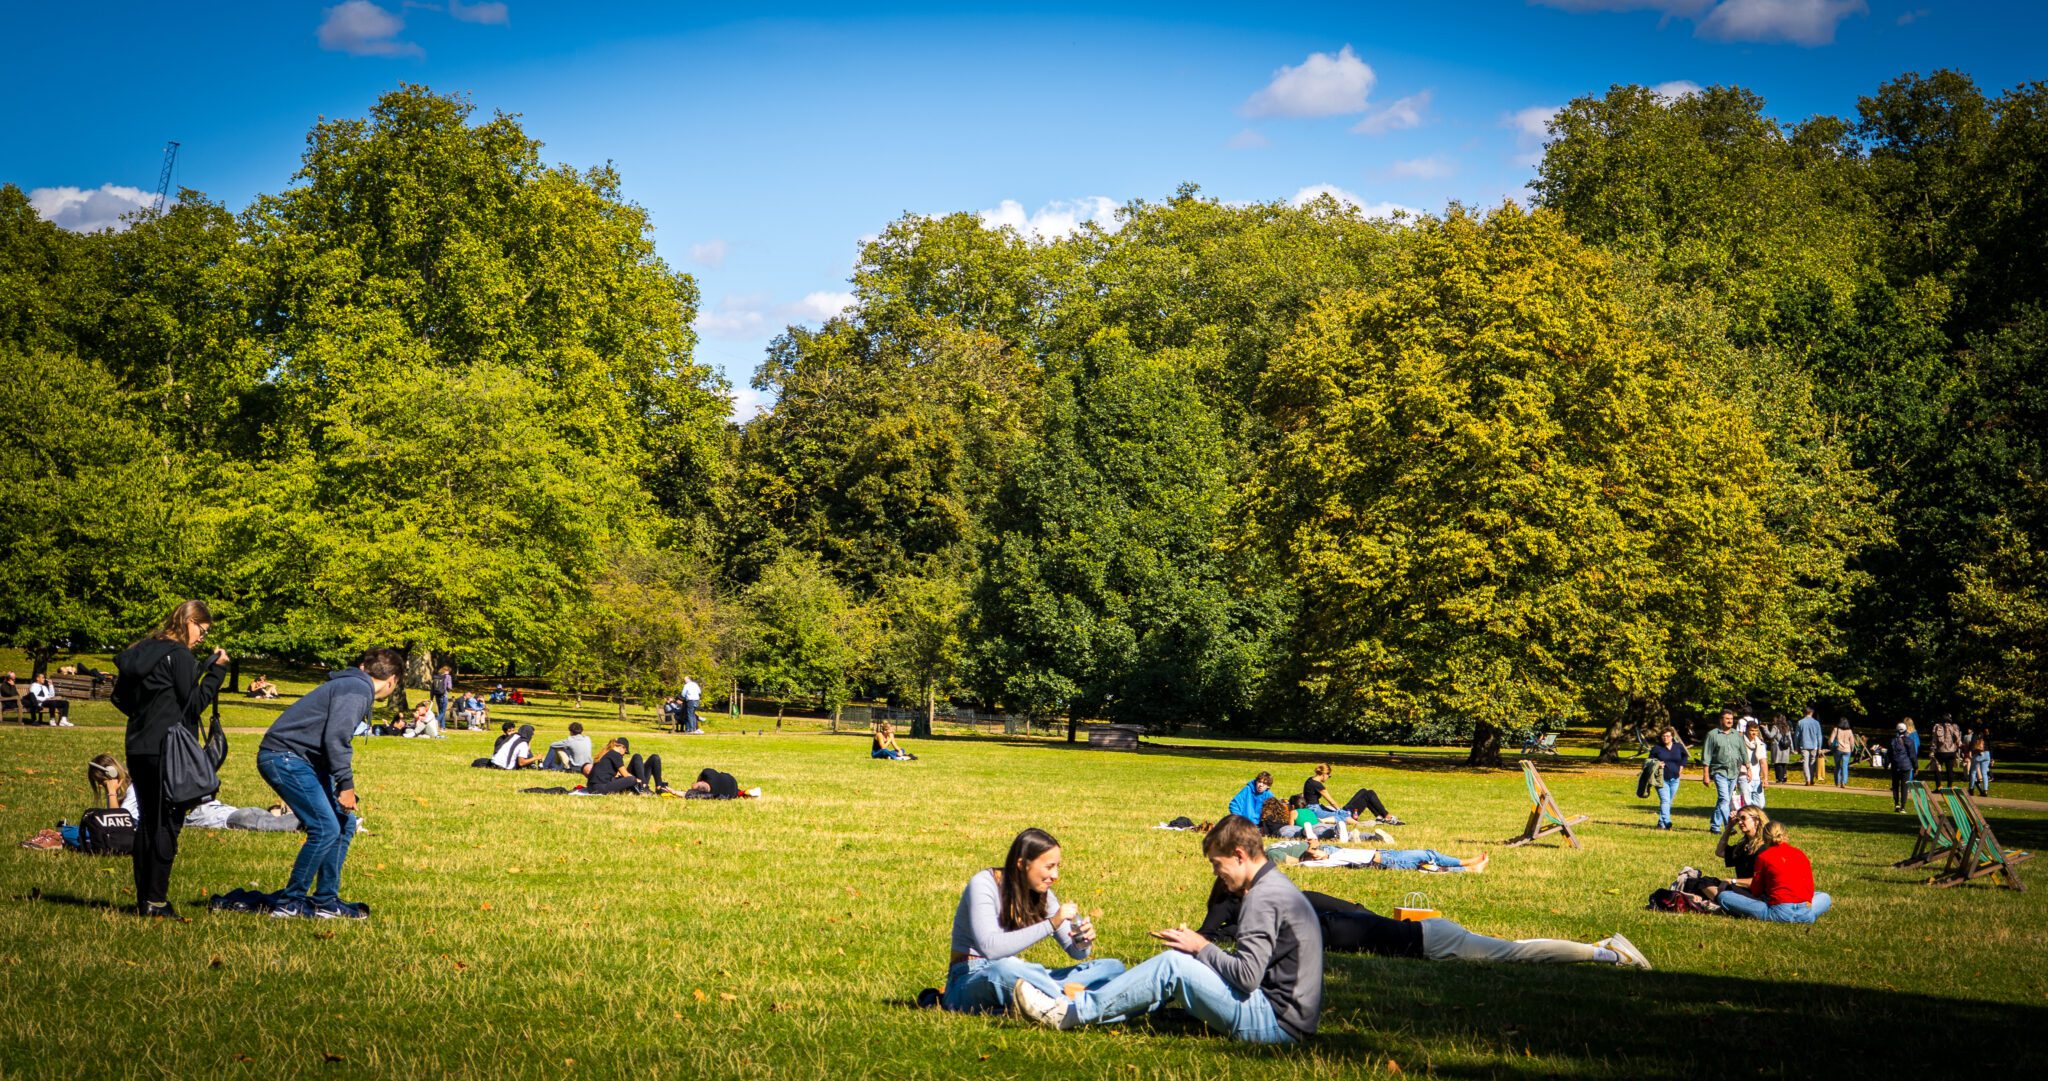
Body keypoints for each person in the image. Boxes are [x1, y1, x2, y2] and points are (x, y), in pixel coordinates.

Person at [1010, 815, 1320, 1045]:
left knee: (1173, 965)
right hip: (1291, 1020)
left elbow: (1247, 977)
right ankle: (1088, 1007)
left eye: (1216, 863)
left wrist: (1200, 946)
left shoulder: (1261, 898)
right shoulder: (1276, 886)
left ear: (1239, 855)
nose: (1216, 873)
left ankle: (1066, 1014)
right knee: (1183, 964)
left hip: (1276, 1026)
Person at [256, 647, 401, 920]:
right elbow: (336, 739)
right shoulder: (357, 690)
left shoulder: (351, 685)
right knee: (324, 828)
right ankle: (290, 903)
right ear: (392, 680)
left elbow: (326, 739)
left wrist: (339, 785)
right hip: (285, 757)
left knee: (343, 823)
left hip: (302, 760)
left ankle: (325, 901)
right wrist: (346, 786)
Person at [112, 599, 229, 919]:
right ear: (189, 621)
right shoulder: (178, 655)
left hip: (139, 745)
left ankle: (145, 898)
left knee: (149, 822)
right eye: (202, 630)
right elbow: (193, 705)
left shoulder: (143, 650)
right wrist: (217, 673)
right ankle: (156, 900)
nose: (201, 638)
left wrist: (147, 716)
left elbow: (119, 697)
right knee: (167, 822)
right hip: (169, 750)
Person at [1200, 887, 1649, 969]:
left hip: (1434, 943)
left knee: (1515, 953)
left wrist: (1213, 931)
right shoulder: (1320, 913)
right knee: (1511, 947)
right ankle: (1598, 946)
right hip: (1431, 932)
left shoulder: (1315, 930)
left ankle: (1609, 955)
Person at [939, 827, 1124, 1014]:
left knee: (1112, 967)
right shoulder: (983, 884)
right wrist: (1051, 923)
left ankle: (1047, 996)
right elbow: (990, 948)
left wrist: (1082, 940)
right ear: (1022, 864)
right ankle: (1071, 1002)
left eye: (1058, 867)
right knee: (1008, 968)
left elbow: (1076, 953)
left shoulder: (1044, 894)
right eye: (1049, 867)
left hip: (1021, 974)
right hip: (971, 978)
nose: (1055, 876)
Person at [1702, 822, 1832, 923]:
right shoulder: (1800, 854)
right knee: (1824, 897)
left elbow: (1757, 890)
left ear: (1764, 837)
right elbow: (1809, 887)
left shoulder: (1764, 856)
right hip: (1806, 910)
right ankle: (1803, 916)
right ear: (1785, 835)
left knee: (1725, 897)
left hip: (1777, 912)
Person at [1302, 763, 1402, 826]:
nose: (1328, 778)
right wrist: (1340, 810)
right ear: (1324, 774)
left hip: (1314, 808)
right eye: (1329, 776)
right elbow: (1331, 801)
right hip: (1317, 810)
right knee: (1369, 794)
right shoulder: (1318, 785)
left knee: (1364, 791)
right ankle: (1387, 817)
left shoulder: (1310, 780)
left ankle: (1380, 816)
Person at [1701, 709, 1744, 833]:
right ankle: (1728, 827)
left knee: (1723, 800)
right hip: (1719, 771)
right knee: (1724, 799)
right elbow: (1706, 756)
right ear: (1721, 720)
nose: (1730, 721)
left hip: (1733, 772)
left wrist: (1748, 767)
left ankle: (1714, 826)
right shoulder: (1712, 735)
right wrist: (1706, 775)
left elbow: (1743, 752)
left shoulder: (1736, 735)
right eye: (1727, 719)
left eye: (1731, 719)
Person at [584, 738, 665, 794]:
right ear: (622, 747)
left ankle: (658, 787)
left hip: (595, 786)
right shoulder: (615, 754)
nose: (623, 755)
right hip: (600, 787)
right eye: (625, 752)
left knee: (654, 758)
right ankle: (643, 787)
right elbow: (625, 775)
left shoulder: (606, 753)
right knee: (631, 779)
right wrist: (637, 780)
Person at [1647, 727, 1688, 830]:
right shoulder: (1657, 748)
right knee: (1665, 801)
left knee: (1669, 801)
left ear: (1672, 737)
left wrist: (1682, 766)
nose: (1666, 738)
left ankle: (1661, 823)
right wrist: (1657, 763)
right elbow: (1649, 761)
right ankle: (1667, 821)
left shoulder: (1678, 747)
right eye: (1663, 736)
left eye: (1668, 736)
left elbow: (1685, 756)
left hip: (1675, 779)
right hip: (1661, 779)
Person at [1739, 721, 1770, 809]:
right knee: (1746, 804)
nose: (1754, 733)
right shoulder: (1740, 743)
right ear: (1746, 730)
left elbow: (1763, 762)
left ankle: (1754, 820)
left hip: (1757, 778)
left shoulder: (1760, 744)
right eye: (1751, 730)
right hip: (1743, 777)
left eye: (1756, 731)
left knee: (1760, 805)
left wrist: (1765, 778)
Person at [1927, 714, 1964, 789]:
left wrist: (1932, 750)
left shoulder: (1937, 727)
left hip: (1940, 752)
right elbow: (1958, 740)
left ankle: (1939, 787)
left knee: (1937, 769)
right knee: (1950, 769)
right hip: (1951, 752)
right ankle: (1949, 786)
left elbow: (1934, 741)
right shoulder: (1954, 727)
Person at [1888, 722, 1914, 812]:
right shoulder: (1909, 741)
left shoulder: (1892, 741)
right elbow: (1912, 756)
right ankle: (1903, 806)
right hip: (1906, 766)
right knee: (1904, 786)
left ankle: (1896, 804)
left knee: (1895, 786)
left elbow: (1889, 754)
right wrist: (1915, 766)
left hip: (1895, 766)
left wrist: (1887, 764)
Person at [1795, 706, 1825, 785]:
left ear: (1804, 713)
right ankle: (1811, 779)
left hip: (1804, 745)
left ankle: (1807, 779)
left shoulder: (1800, 722)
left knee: (1805, 762)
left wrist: (1796, 746)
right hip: (1814, 745)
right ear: (1812, 713)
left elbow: (1797, 736)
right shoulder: (1816, 723)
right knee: (1812, 762)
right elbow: (1819, 736)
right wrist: (1820, 747)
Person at [682, 768, 757, 799]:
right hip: (731, 779)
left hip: (733, 792)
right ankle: (745, 793)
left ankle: (744, 792)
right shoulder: (708, 773)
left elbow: (689, 795)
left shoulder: (712, 794)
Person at [1828, 717, 1856, 788]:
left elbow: (1831, 740)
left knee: (1837, 766)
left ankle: (1837, 782)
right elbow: (1852, 742)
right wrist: (1852, 749)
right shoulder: (1849, 731)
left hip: (1838, 749)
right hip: (1847, 750)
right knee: (1845, 766)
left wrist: (1830, 746)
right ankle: (1843, 782)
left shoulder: (1836, 729)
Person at [1766, 714, 1794, 785]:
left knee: (1778, 763)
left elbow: (1770, 735)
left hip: (1777, 748)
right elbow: (1790, 738)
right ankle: (1784, 777)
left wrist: (1765, 729)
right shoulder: (1787, 727)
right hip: (1785, 748)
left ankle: (1779, 778)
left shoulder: (1775, 727)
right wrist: (1792, 749)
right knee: (1784, 763)